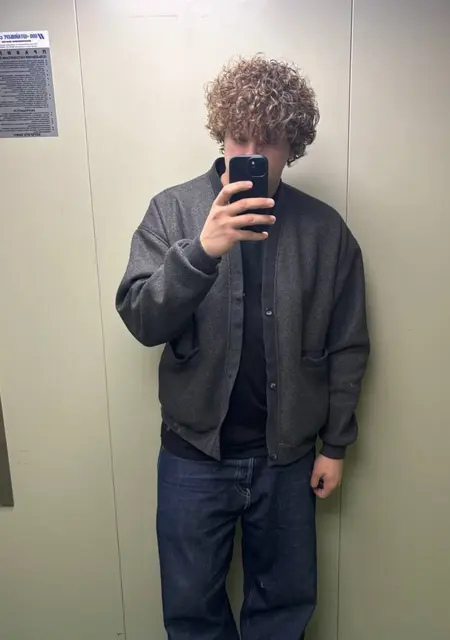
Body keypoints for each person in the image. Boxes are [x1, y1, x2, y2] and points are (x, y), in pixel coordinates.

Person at [116, 55, 370, 640]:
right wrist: (202, 252)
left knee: (283, 613)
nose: (249, 153)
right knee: (190, 613)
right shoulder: (173, 210)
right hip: (192, 455)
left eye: (268, 141)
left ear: (292, 147)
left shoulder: (325, 230)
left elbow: (348, 344)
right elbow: (141, 318)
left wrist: (335, 445)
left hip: (288, 460)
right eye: (238, 137)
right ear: (221, 134)